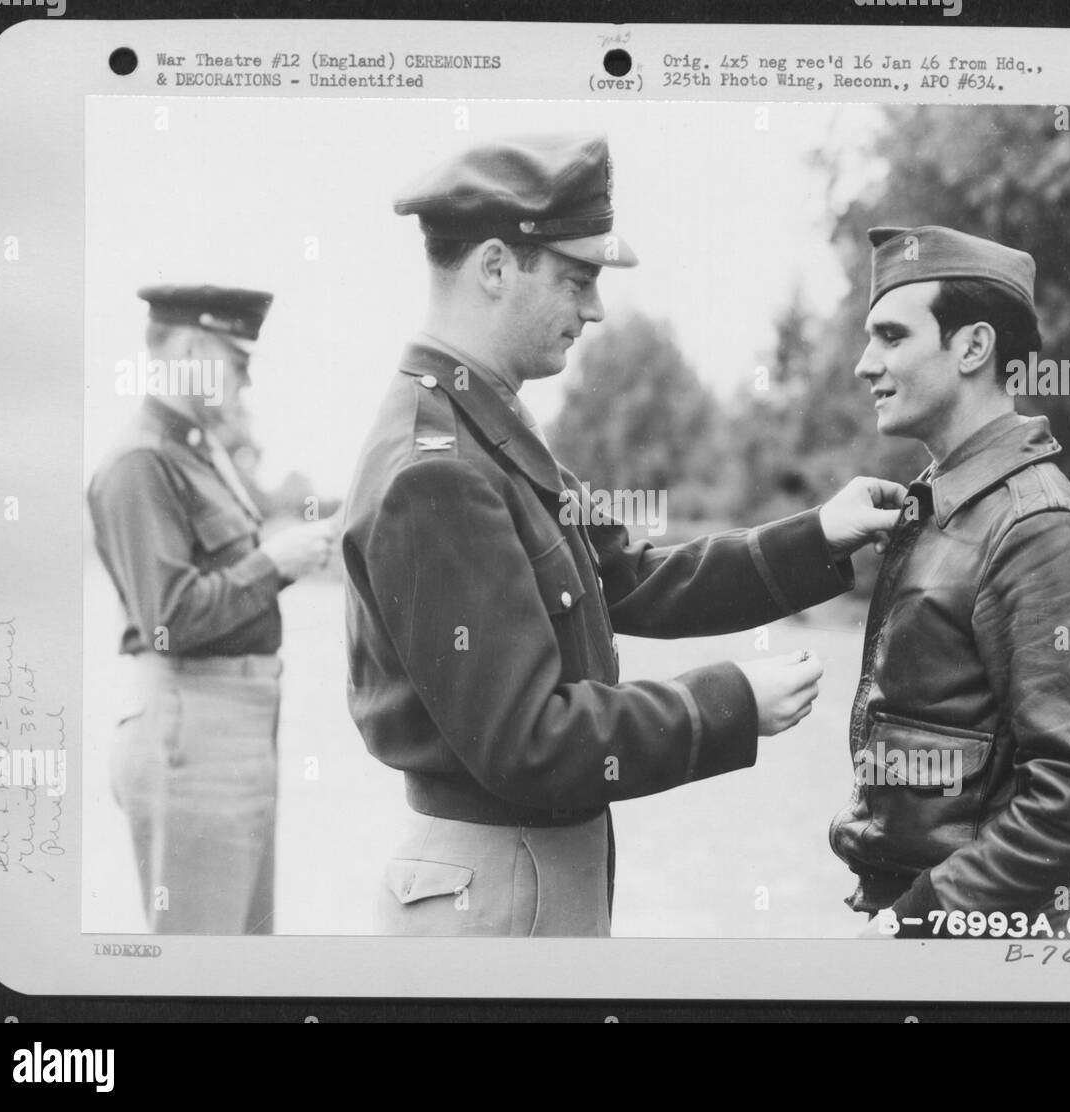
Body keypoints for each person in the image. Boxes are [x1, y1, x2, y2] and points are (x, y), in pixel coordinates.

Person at [342, 133, 906, 937]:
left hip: (525, 866)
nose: (596, 308)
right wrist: (727, 703)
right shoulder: (437, 467)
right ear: (495, 267)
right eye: (577, 279)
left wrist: (820, 534)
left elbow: (631, 577)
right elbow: (528, 740)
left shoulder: (485, 428)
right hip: (496, 883)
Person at [830, 226, 1070, 940]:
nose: (863, 364)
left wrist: (923, 919)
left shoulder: (1034, 526)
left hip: (983, 950)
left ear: (973, 348)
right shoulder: (944, 500)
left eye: (890, 336)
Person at [87, 285, 339, 934]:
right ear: (193, 348)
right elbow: (170, 620)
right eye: (237, 361)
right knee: (200, 970)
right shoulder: (140, 462)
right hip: (192, 739)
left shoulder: (199, 452)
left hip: (233, 732)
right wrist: (274, 562)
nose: (245, 382)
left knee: (243, 967)